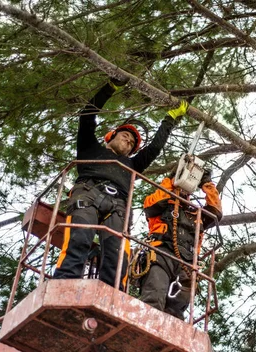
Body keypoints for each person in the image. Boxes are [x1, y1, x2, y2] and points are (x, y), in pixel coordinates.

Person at [53, 77, 188, 291]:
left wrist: (169, 119)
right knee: (80, 236)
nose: (129, 141)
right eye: (125, 136)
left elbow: (153, 148)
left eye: (132, 143)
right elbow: (87, 115)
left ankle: (112, 293)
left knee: (118, 253)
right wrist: (110, 87)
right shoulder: (90, 148)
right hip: (88, 192)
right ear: (110, 137)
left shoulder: (133, 164)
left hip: (118, 205)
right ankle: (63, 284)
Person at [138, 170, 223, 319]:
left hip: (187, 264)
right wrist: (171, 178)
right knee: (154, 296)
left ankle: (167, 337)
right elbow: (153, 204)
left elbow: (216, 212)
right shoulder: (162, 204)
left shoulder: (197, 214)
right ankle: (145, 326)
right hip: (161, 254)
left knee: (177, 310)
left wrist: (206, 184)